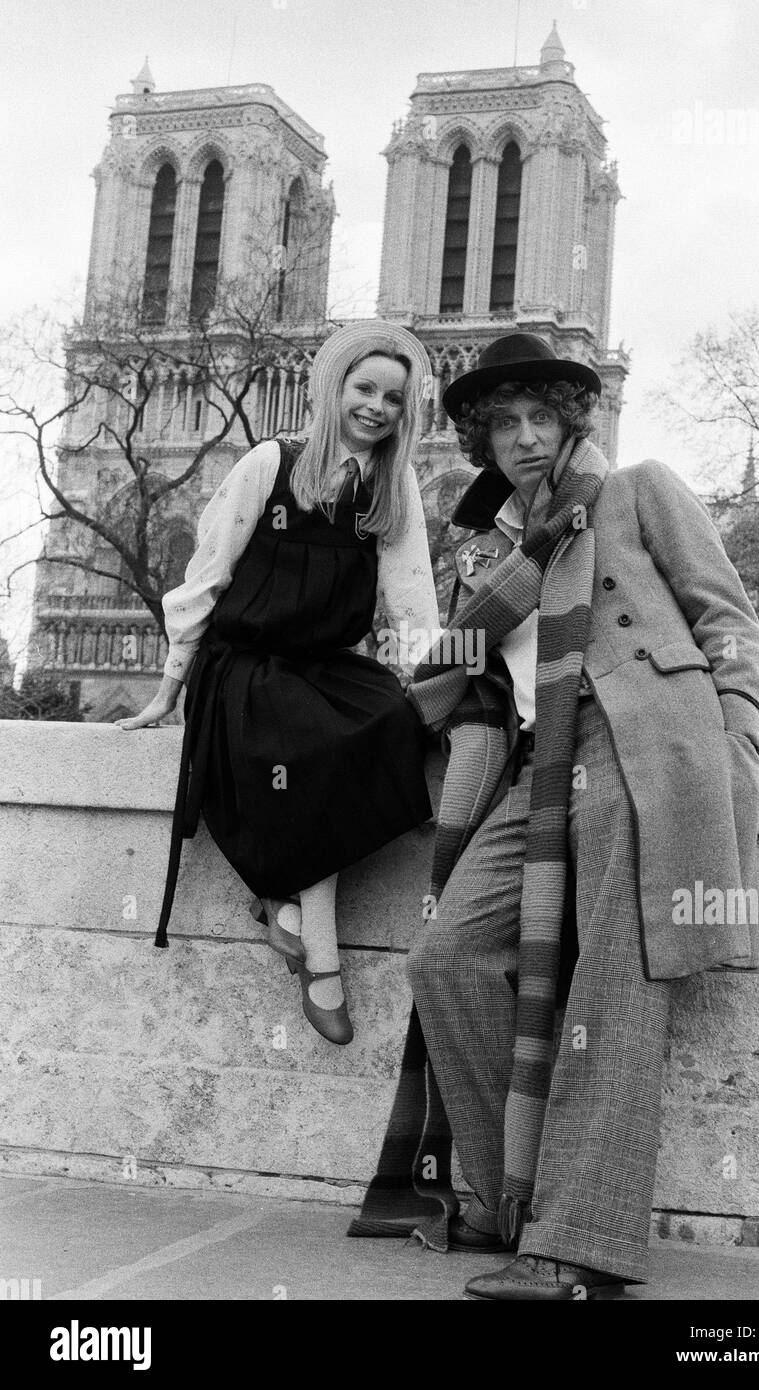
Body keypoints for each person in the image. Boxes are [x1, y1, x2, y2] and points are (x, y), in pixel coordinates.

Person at [350, 332, 759, 1299]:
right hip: (533, 770)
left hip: (637, 744)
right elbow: (451, 678)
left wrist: (732, 748)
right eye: (505, 425)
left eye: (542, 418)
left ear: (572, 422)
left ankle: (576, 1247)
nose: (527, 439)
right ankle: (509, 1201)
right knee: (445, 957)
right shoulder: (486, 556)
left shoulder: (637, 491)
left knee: (616, 987)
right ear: (482, 441)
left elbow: (728, 622)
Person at [117, 320, 441, 1046]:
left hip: (323, 666)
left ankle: (281, 902)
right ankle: (321, 959)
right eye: (364, 388)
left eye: (393, 397)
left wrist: (444, 686)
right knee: (318, 743)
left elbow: (411, 592)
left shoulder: (392, 484)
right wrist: (171, 687)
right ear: (332, 388)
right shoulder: (272, 461)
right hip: (245, 665)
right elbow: (210, 572)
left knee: (392, 721)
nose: (377, 407)